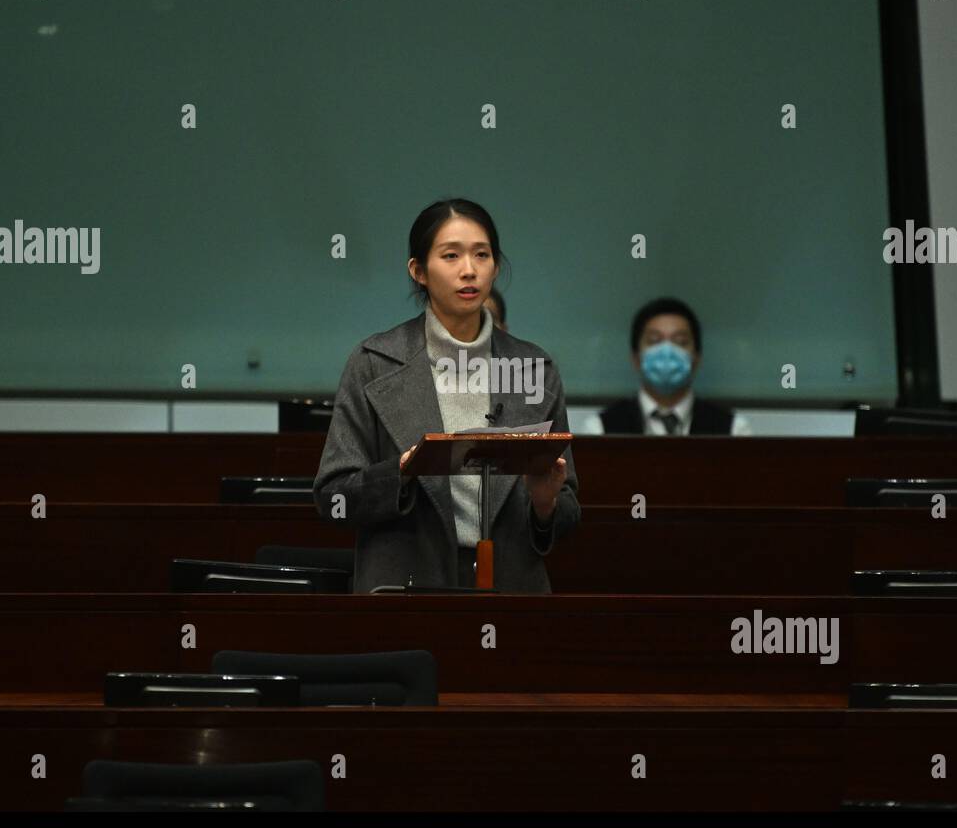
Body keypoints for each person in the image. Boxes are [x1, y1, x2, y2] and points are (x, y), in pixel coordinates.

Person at [313, 198, 580, 593]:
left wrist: (544, 504)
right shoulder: (375, 361)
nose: (469, 270)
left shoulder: (533, 368)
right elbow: (333, 498)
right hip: (406, 586)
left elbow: (569, 508)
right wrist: (401, 474)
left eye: (482, 255)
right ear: (418, 271)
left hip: (512, 589)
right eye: (451, 255)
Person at [599, 297, 751, 436]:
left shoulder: (734, 430)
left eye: (680, 342)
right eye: (654, 340)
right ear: (636, 358)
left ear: (696, 358)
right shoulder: (600, 429)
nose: (667, 352)